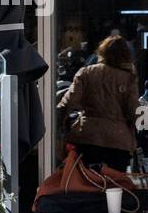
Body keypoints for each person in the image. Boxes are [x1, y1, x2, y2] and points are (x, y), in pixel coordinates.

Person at [57, 33, 138, 171]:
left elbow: (69, 102)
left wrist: (60, 125)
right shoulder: (128, 78)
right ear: (126, 55)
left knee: (87, 182)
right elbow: (132, 110)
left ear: (102, 51)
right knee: (116, 184)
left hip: (88, 136)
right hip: (118, 140)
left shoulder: (86, 72)